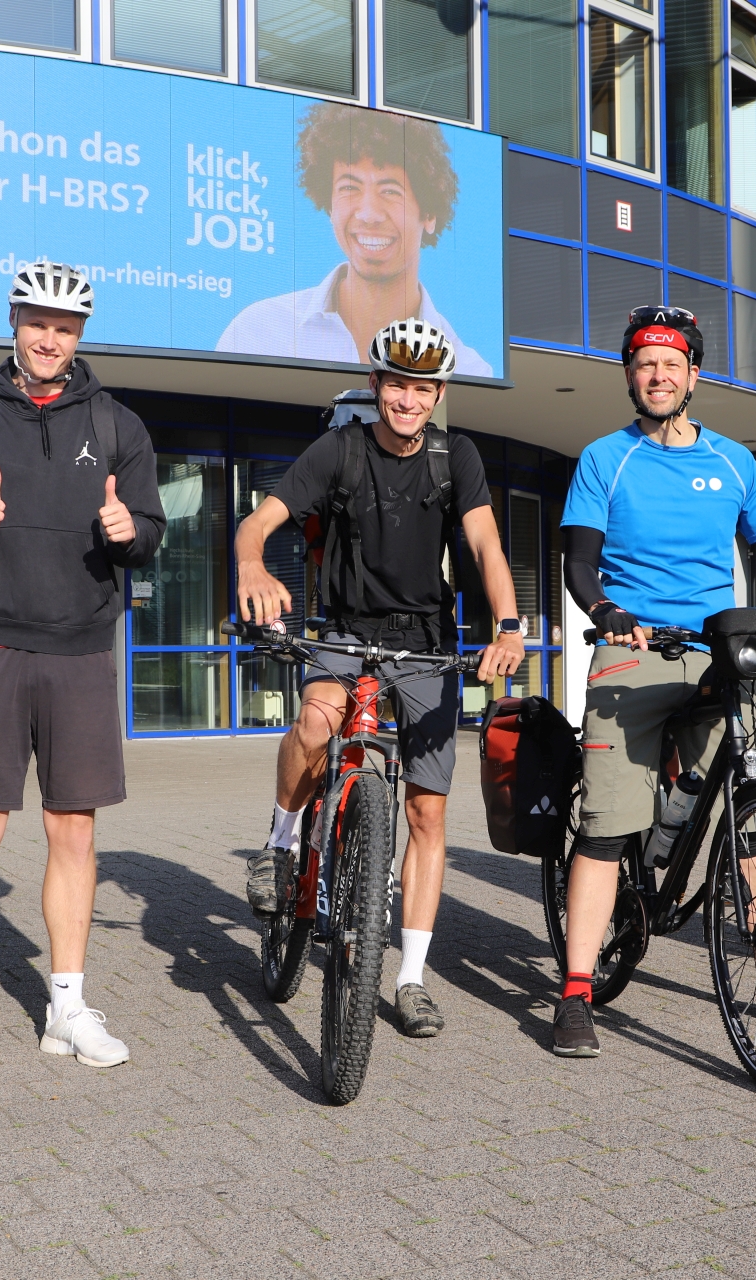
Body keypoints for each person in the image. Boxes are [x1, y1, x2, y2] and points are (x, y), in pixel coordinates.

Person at [551, 306, 756, 1059]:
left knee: (745, 812)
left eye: (671, 364)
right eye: (644, 363)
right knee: (605, 828)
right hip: (631, 652)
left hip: (719, 652)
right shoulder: (605, 458)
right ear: (630, 376)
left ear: (694, 376)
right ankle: (576, 991)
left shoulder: (732, 462)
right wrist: (605, 609)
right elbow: (579, 561)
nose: (657, 375)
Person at [0, 258, 166, 1078]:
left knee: (73, 830)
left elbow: (154, 529)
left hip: (81, 648)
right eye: (38, 324)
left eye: (65, 328)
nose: (50, 339)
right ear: (13, 323)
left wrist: (131, 532)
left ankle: (67, 1007)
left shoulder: (117, 423)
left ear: (80, 334)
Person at [235, 319, 524, 1038]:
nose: (407, 399)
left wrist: (509, 625)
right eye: (396, 384)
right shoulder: (340, 450)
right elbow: (257, 523)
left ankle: (411, 978)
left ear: (438, 394)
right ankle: (281, 844)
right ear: (376, 385)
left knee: (427, 812)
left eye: (422, 388)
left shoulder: (455, 458)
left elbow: (485, 544)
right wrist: (251, 566)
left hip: (425, 640)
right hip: (344, 628)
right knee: (316, 722)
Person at [215, 103, 493, 378]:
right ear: (329, 205)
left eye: (390, 191)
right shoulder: (257, 333)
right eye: (349, 187)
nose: (368, 214)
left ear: (429, 213)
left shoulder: (466, 370)